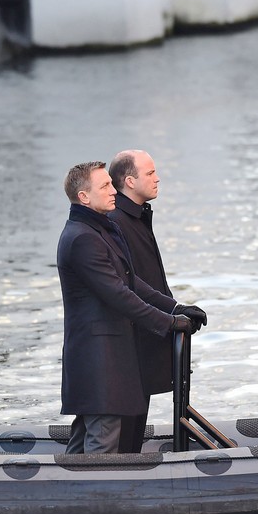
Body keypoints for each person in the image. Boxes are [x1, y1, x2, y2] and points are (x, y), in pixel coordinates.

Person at [57, 161, 206, 454]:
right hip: (98, 361)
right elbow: (119, 295)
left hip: (104, 361)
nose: (114, 190)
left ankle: (70, 495)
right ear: (84, 197)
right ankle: (98, 498)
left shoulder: (98, 229)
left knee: (83, 440)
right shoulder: (83, 238)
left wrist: (176, 308)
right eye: (105, 186)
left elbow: (131, 281)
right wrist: (170, 323)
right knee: (103, 441)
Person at [107, 149, 203, 453]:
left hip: (147, 336)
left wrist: (175, 307)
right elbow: (127, 284)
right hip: (129, 344)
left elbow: (143, 279)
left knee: (135, 423)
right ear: (130, 181)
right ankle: (121, 482)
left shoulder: (137, 217)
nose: (157, 178)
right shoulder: (116, 222)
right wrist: (170, 316)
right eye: (150, 173)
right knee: (124, 433)